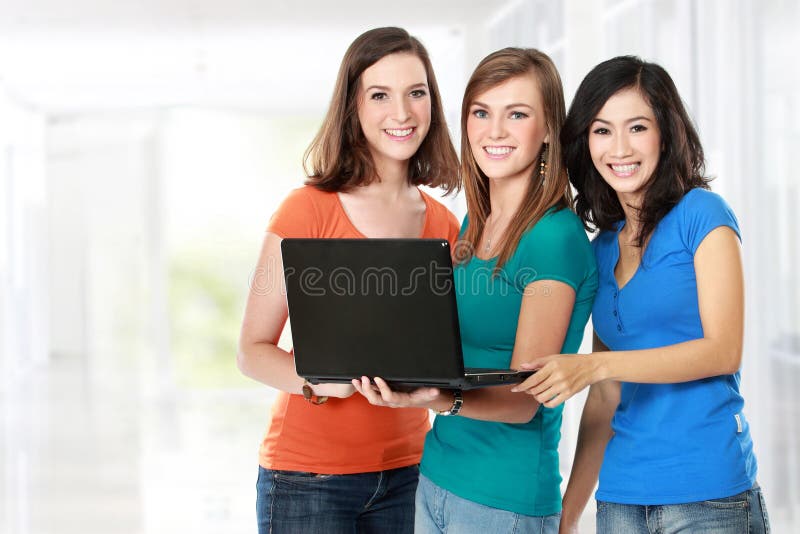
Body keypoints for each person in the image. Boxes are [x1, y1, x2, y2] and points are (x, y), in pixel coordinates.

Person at [512, 56, 771, 533]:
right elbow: (606, 397)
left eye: (637, 127)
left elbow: (723, 350)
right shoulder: (601, 247)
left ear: (666, 134)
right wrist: (569, 513)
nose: (620, 148)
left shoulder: (703, 215)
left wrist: (595, 365)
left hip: (709, 497)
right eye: (602, 130)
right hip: (620, 500)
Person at [352, 47, 598, 534]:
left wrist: (431, 399)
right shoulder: (474, 223)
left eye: (518, 114)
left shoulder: (554, 238)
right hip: (439, 478)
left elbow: (526, 398)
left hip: (504, 501)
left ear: (549, 129)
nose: (495, 131)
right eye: (481, 113)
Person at [236, 27, 460, 534]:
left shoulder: (443, 224)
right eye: (379, 95)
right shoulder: (306, 210)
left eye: (416, 93)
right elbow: (251, 350)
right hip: (306, 479)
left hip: (411, 473)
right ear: (353, 107)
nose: (401, 113)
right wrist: (319, 382)